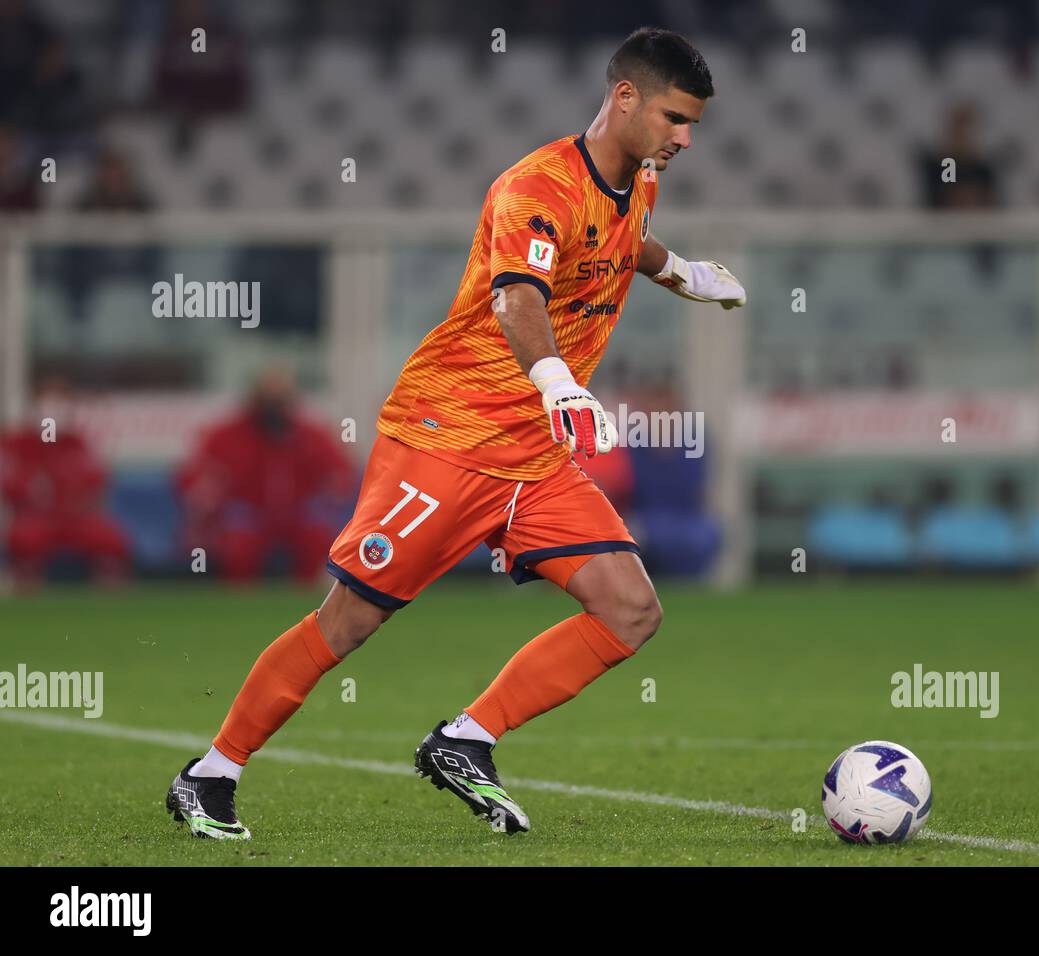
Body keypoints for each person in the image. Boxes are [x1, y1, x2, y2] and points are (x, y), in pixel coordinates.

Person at [165, 27, 746, 840]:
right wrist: (558, 383)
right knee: (350, 622)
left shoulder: (641, 178)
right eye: (676, 119)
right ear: (625, 98)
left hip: (533, 458)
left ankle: (464, 740)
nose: (685, 139)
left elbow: (618, 242)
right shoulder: (534, 188)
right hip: (449, 438)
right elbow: (518, 300)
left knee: (630, 610)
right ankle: (211, 774)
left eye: (693, 125)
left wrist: (682, 272)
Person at [175, 367, 355, 584]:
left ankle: (308, 605)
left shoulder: (312, 435)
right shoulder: (226, 435)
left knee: (317, 537)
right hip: (248, 518)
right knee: (237, 546)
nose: (274, 407)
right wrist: (212, 501)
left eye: (280, 400)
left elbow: (342, 474)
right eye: (268, 399)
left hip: (297, 517)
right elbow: (192, 477)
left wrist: (326, 499)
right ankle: (238, 605)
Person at [0, 378, 129, 587]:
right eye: (48, 404)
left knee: (110, 537)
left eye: (59, 404)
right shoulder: (17, 442)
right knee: (25, 537)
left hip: (75, 517)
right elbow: (9, 485)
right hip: (35, 517)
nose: (53, 411)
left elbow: (98, 482)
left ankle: (111, 596)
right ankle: (24, 588)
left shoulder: (77, 442)